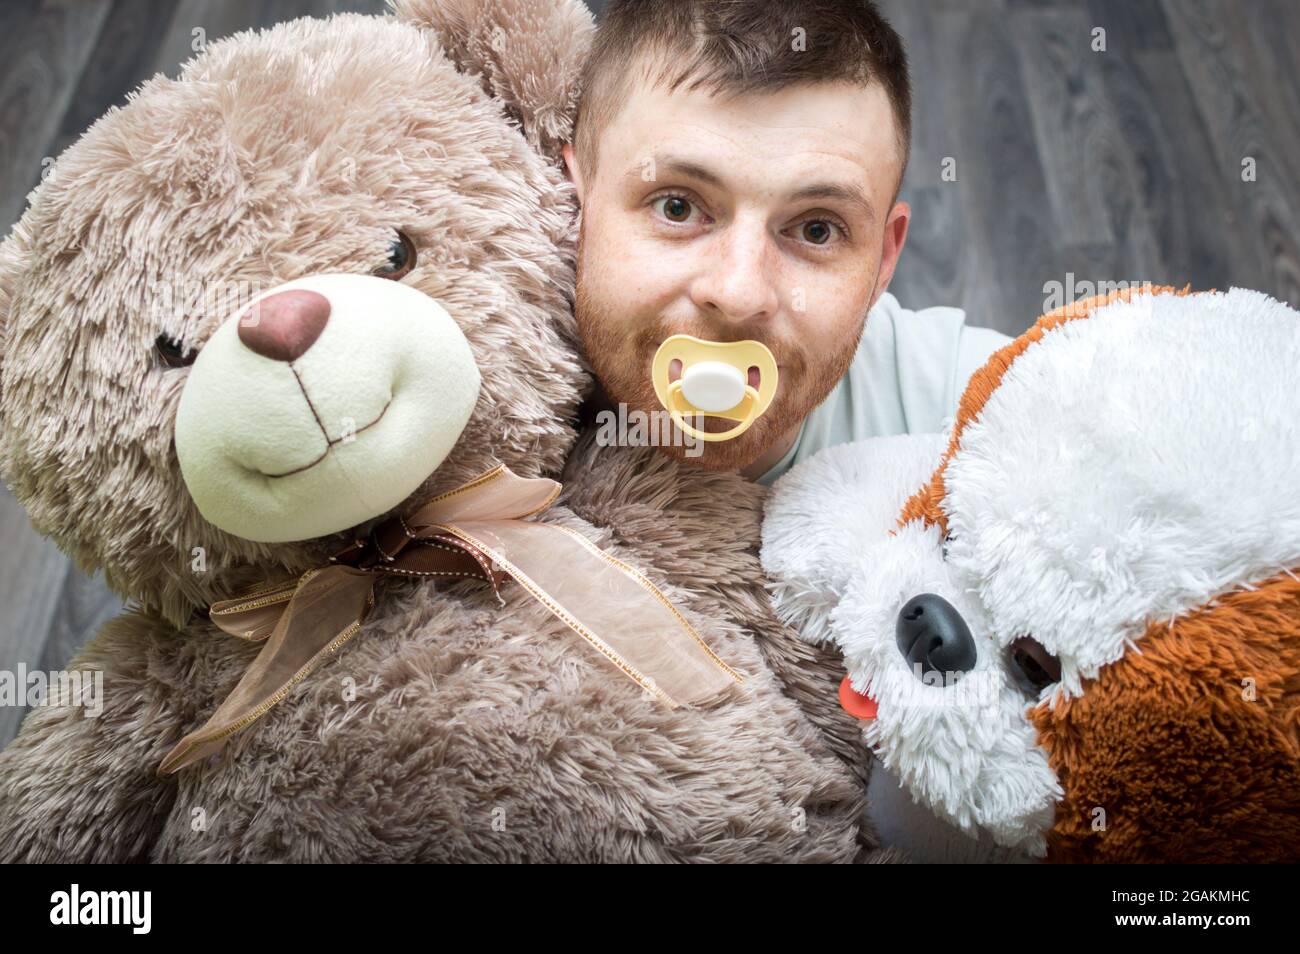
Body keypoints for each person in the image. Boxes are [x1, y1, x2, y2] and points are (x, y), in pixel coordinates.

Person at [562, 0, 1010, 484]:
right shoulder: (487, 394)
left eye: (816, 230)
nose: (739, 295)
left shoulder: (987, 409)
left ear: (884, 259)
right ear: (573, 199)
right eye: (678, 207)